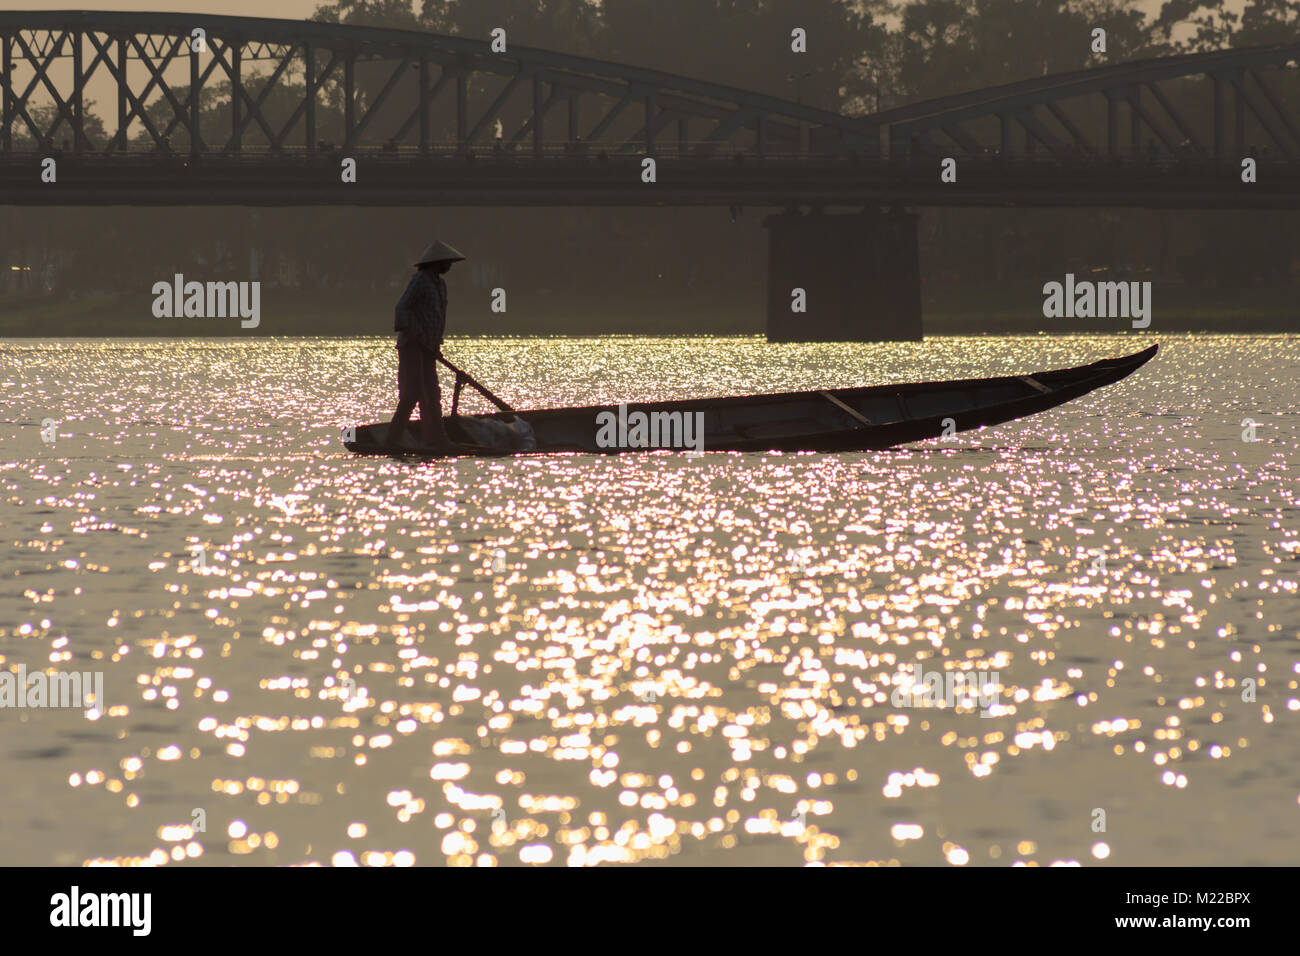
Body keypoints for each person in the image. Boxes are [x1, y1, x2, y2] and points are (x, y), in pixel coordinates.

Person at [389, 241, 465, 451]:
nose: (449, 266)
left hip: (428, 348)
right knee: (413, 392)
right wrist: (417, 334)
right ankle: (393, 439)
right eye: (447, 262)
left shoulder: (440, 285)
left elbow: (437, 317)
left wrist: (434, 344)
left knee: (432, 393)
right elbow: (402, 309)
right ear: (437, 263)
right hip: (413, 346)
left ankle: (436, 439)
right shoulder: (421, 280)